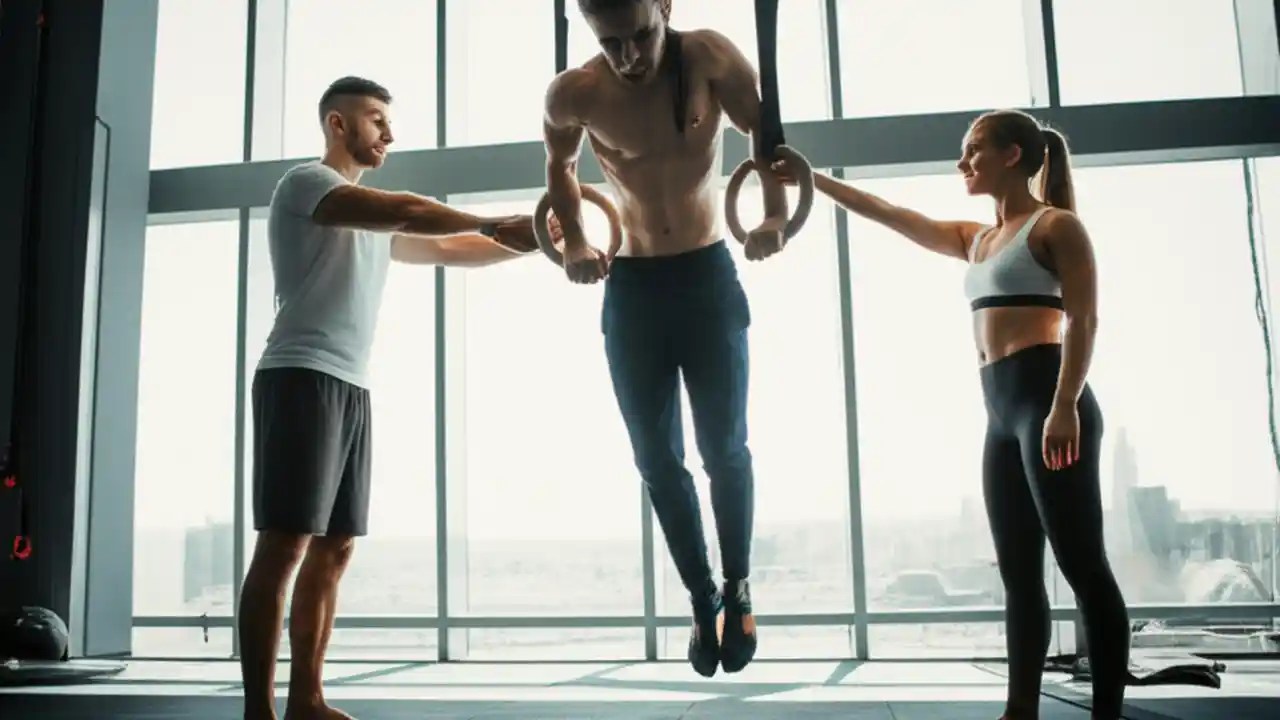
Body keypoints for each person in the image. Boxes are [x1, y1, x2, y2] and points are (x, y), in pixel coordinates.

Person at [775, 109, 1130, 719]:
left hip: (1050, 402)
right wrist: (812, 180)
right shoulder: (977, 239)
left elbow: (1084, 319)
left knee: (1082, 566)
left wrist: (1066, 403)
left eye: (973, 151)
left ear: (1012, 156)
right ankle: (1020, 713)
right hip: (1000, 415)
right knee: (1019, 575)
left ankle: (1107, 715)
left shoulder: (1056, 226)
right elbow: (892, 215)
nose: (962, 163)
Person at [238, 76, 542, 720]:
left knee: (337, 544)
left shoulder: (366, 216)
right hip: (300, 374)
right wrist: (495, 219)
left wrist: (532, 240)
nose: (390, 133)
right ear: (337, 124)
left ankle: (306, 702)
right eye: (376, 119)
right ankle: (257, 713)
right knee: (285, 543)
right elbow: (406, 209)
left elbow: (448, 247)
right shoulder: (308, 186)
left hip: (351, 383)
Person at [542, 0, 792, 678]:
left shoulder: (708, 56)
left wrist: (771, 215)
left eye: (641, 36)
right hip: (635, 290)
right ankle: (701, 596)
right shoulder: (575, 93)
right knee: (656, 460)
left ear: (666, 8)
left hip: (708, 277)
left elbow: (764, 138)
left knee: (724, 448)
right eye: (611, 43)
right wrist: (576, 246)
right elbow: (560, 174)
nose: (629, 57)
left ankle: (738, 584)